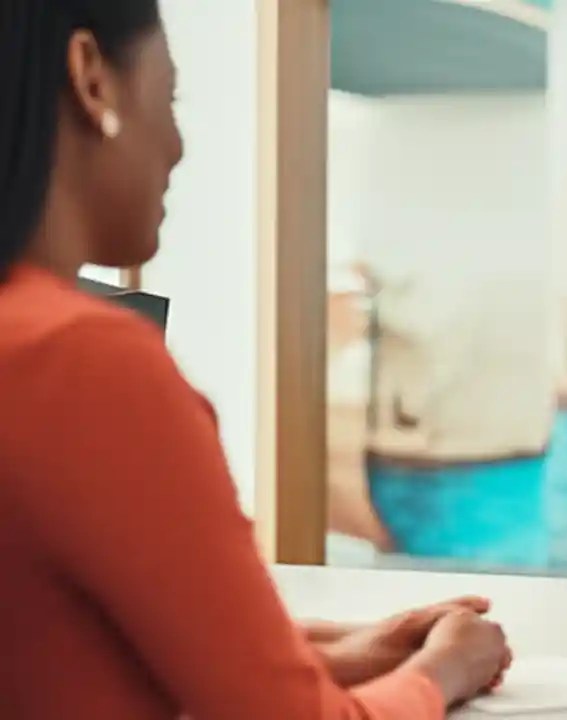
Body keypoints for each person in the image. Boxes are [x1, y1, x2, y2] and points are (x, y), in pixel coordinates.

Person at [0, 1, 510, 718]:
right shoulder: (82, 363)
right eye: (170, 97)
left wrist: (356, 647)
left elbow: (71, 644)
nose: (177, 146)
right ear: (91, 79)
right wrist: (447, 671)